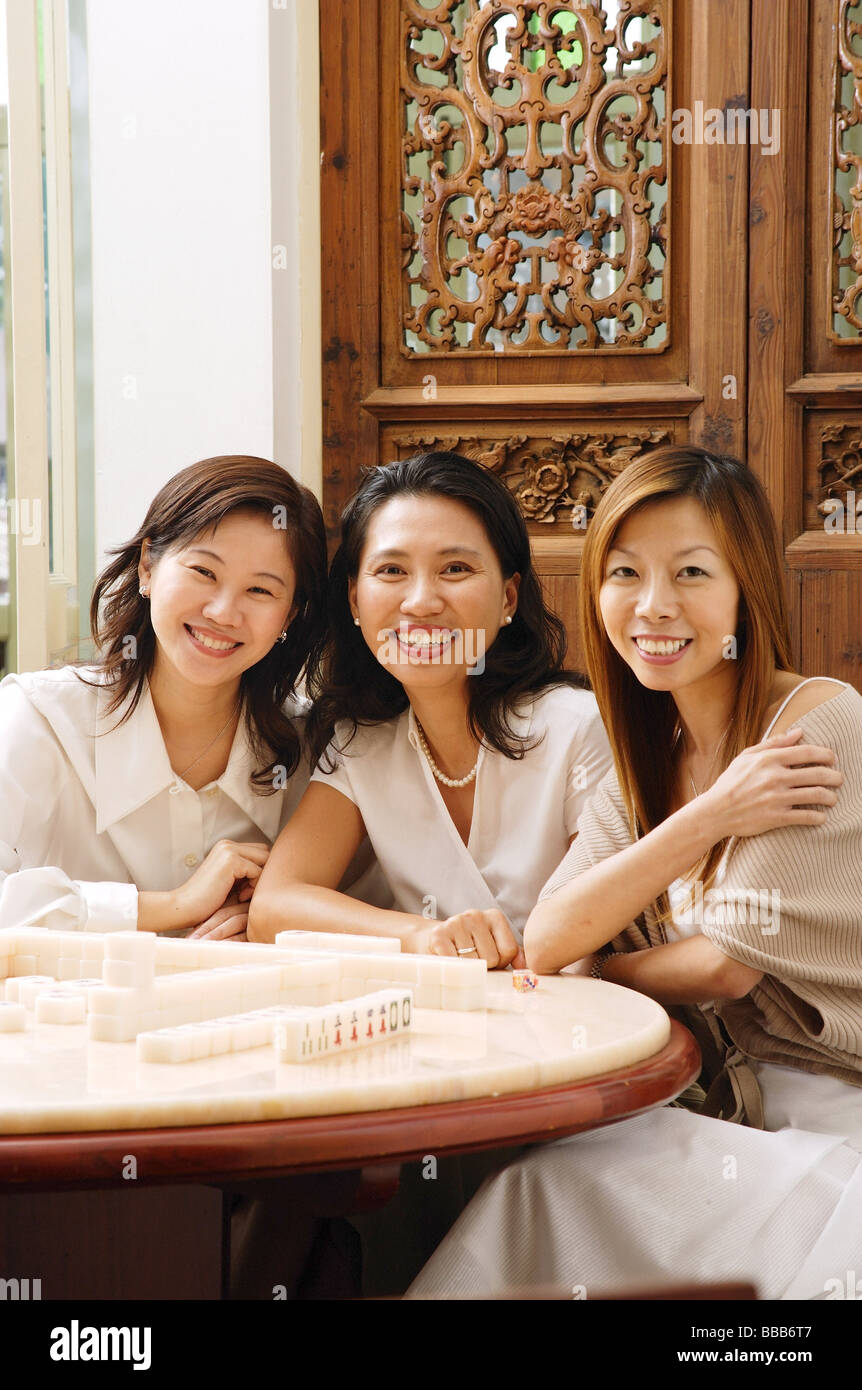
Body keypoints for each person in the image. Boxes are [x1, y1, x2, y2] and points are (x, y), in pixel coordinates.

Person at [407, 444, 862, 1300]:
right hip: (730, 1115)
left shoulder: (818, 724)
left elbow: (725, 964)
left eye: (691, 572)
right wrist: (714, 812)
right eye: (625, 573)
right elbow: (547, 941)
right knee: (540, 1184)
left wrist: (609, 964)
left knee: (557, 1186)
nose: (653, 606)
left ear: (744, 590)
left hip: (832, 1116)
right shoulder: (647, 757)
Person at [248, 450, 612, 965]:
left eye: (455, 568)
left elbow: (610, 934)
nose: (421, 602)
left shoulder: (578, 727)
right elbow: (274, 908)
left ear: (509, 598)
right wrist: (421, 935)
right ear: (354, 601)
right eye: (392, 569)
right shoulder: (363, 742)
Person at [0, 455, 329, 939]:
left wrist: (276, 919)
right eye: (204, 572)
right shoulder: (39, 718)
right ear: (148, 566)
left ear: (291, 616)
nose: (223, 612)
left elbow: (356, 905)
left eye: (260, 590)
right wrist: (171, 906)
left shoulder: (311, 752)